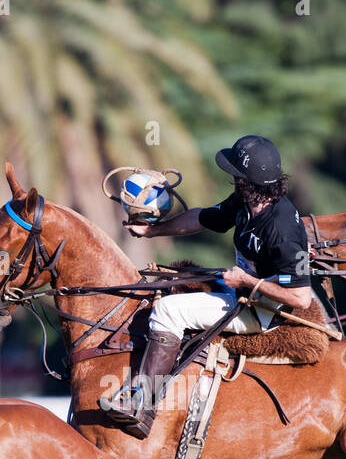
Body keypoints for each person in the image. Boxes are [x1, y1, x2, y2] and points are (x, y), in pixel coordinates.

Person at [98, 135, 316, 438]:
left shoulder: (281, 228)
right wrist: (152, 231)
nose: (232, 179)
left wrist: (247, 281)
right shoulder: (246, 202)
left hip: (262, 311)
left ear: (247, 181)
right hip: (238, 292)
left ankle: (142, 406)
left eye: (236, 175)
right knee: (168, 286)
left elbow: (301, 298)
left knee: (168, 310)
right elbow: (201, 218)